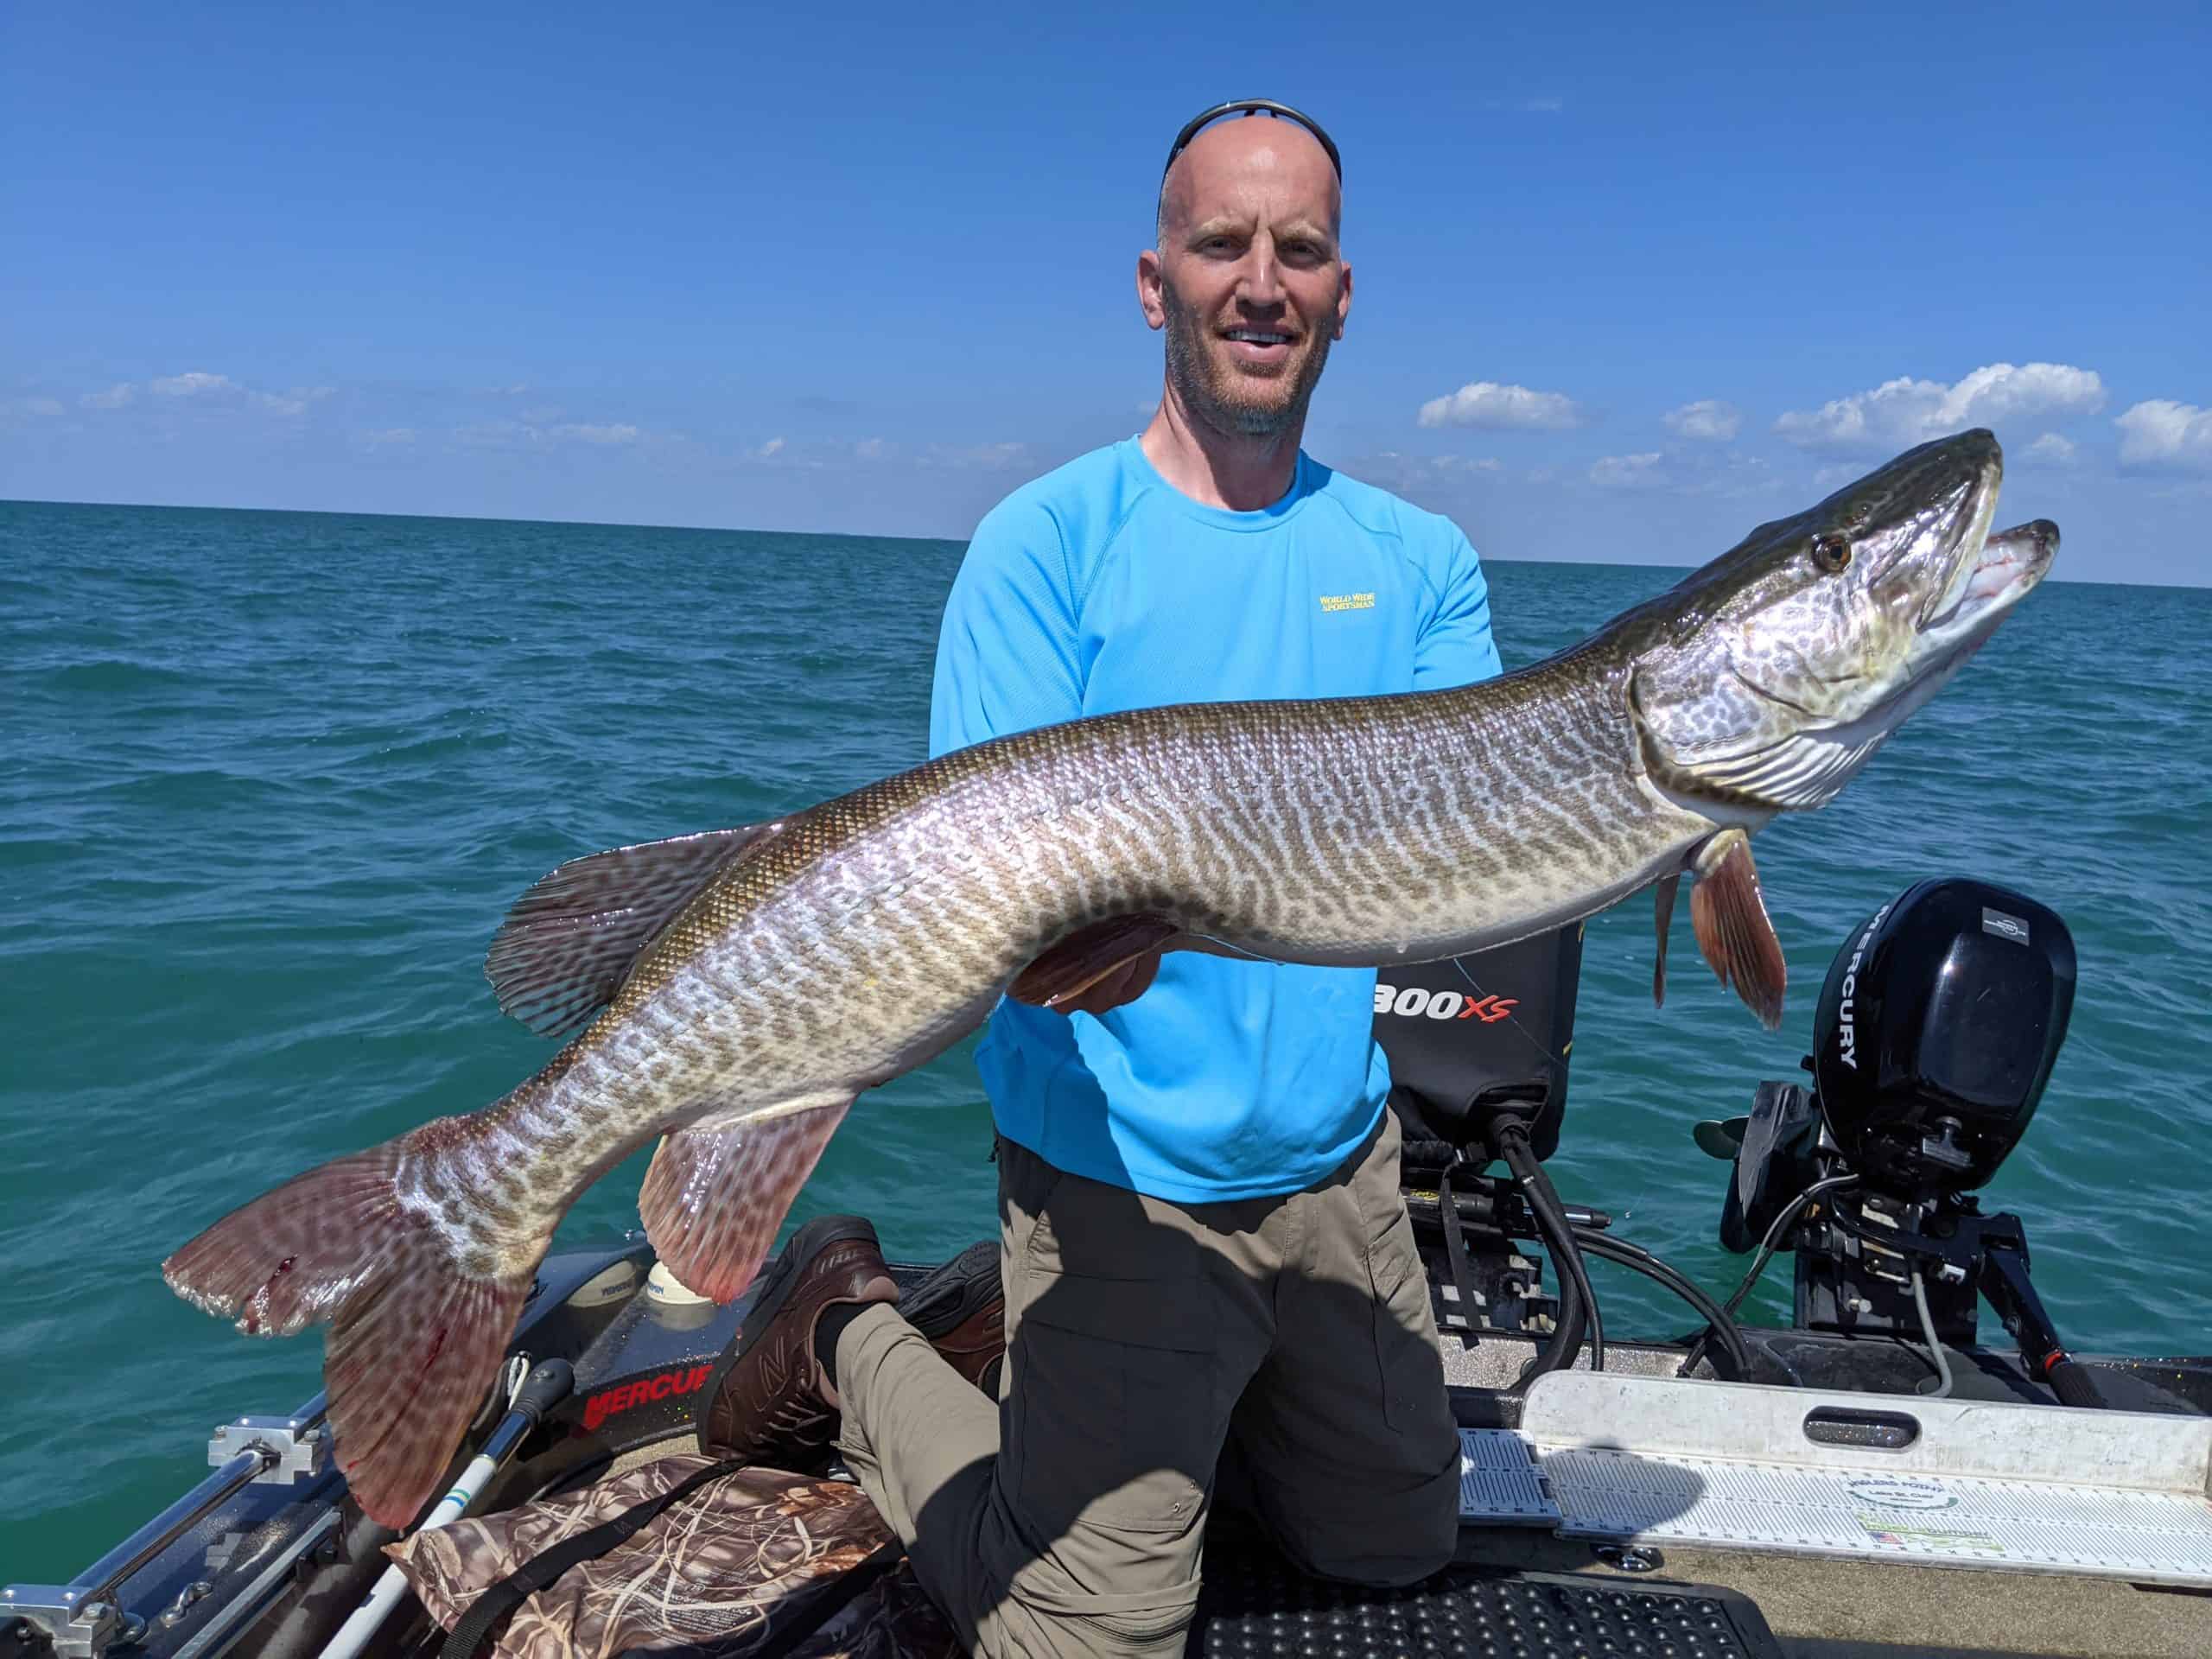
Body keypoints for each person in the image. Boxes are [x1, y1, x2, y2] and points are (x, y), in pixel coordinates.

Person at [708, 99, 1503, 1659]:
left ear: (1345, 291)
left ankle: (1218, 1410)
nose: (1262, 282)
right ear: (1158, 282)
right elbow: (1001, 917)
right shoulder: (1045, 545)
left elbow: (1456, 851)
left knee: (1396, 1549)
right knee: (1084, 1640)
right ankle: (845, 1331)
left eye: (1302, 249)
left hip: (1339, 1166)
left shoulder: (1423, 560)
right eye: (1224, 245)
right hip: (1118, 1174)